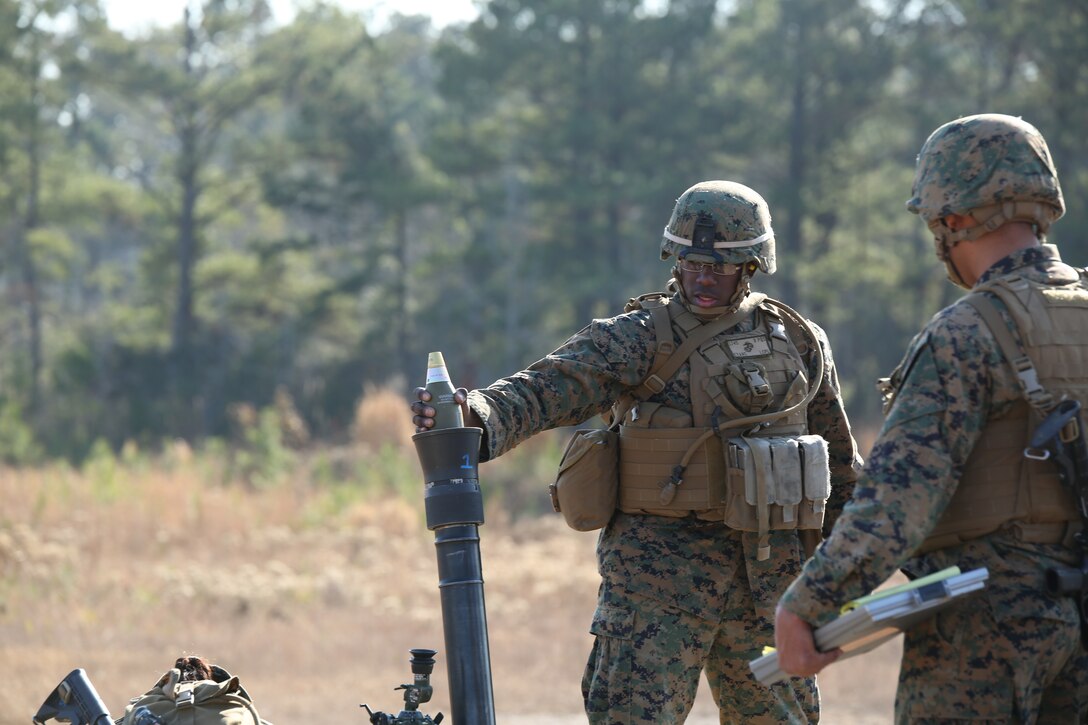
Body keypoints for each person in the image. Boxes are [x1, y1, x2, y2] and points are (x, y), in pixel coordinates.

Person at [412, 180, 861, 724]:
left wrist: (851, 570)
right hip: (656, 587)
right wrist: (474, 415)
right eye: (691, 263)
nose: (702, 277)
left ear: (751, 265)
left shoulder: (798, 340)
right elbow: (545, 388)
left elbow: (840, 465)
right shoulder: (639, 336)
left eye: (719, 267)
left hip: (769, 586)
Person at [774, 113, 1088, 722]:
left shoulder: (966, 334)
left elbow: (897, 502)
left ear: (953, 219)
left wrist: (807, 605)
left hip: (985, 625)